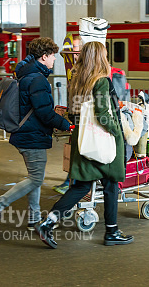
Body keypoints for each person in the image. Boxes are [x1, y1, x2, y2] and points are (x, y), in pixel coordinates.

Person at [34, 41, 133, 248]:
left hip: (83, 138)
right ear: (101, 57)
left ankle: (48, 222)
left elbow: (74, 112)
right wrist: (117, 132)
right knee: (111, 184)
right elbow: (103, 114)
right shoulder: (101, 81)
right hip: (101, 139)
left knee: (81, 185)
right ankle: (112, 232)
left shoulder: (78, 80)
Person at [0, 37, 71, 232]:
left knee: (35, 176)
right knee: (36, 178)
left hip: (26, 132)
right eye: (52, 56)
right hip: (32, 134)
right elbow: (44, 112)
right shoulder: (37, 79)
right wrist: (65, 124)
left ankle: (33, 218)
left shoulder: (26, 73)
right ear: (44, 56)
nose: (55, 60)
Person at [53, 35, 82, 195]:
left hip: (84, 119)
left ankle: (71, 183)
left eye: (76, 50)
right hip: (76, 117)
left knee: (77, 151)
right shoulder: (74, 70)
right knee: (74, 150)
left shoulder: (84, 71)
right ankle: (71, 182)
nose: (73, 55)